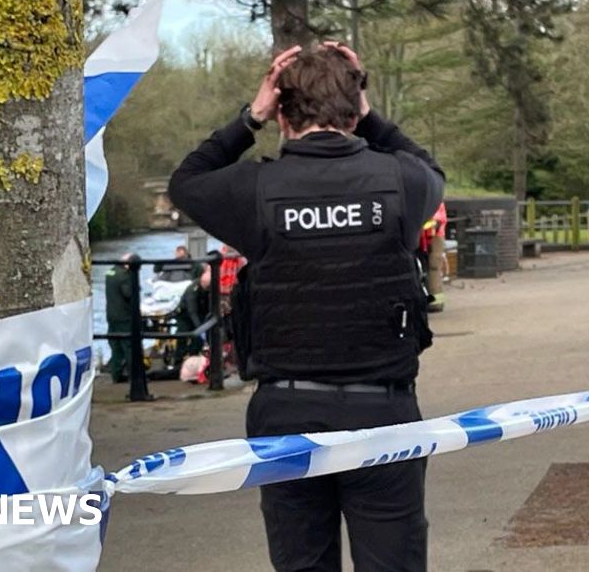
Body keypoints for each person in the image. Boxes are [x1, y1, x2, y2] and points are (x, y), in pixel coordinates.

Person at [168, 43, 444, 572]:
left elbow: (187, 181)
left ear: (282, 113)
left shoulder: (254, 190)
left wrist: (248, 118)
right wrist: (369, 114)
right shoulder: (402, 183)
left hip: (286, 415)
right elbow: (430, 167)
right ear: (354, 111)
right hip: (383, 413)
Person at [105, 253, 139, 383]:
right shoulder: (125, 275)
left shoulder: (110, 272)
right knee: (129, 346)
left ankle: (116, 374)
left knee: (115, 346)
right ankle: (134, 376)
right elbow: (128, 294)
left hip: (111, 315)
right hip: (124, 316)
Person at [173, 264, 211, 364]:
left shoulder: (209, 288)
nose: (207, 289)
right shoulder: (192, 290)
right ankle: (178, 360)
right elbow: (192, 311)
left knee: (198, 340)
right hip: (185, 315)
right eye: (207, 288)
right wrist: (200, 329)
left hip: (200, 312)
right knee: (182, 335)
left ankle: (192, 356)